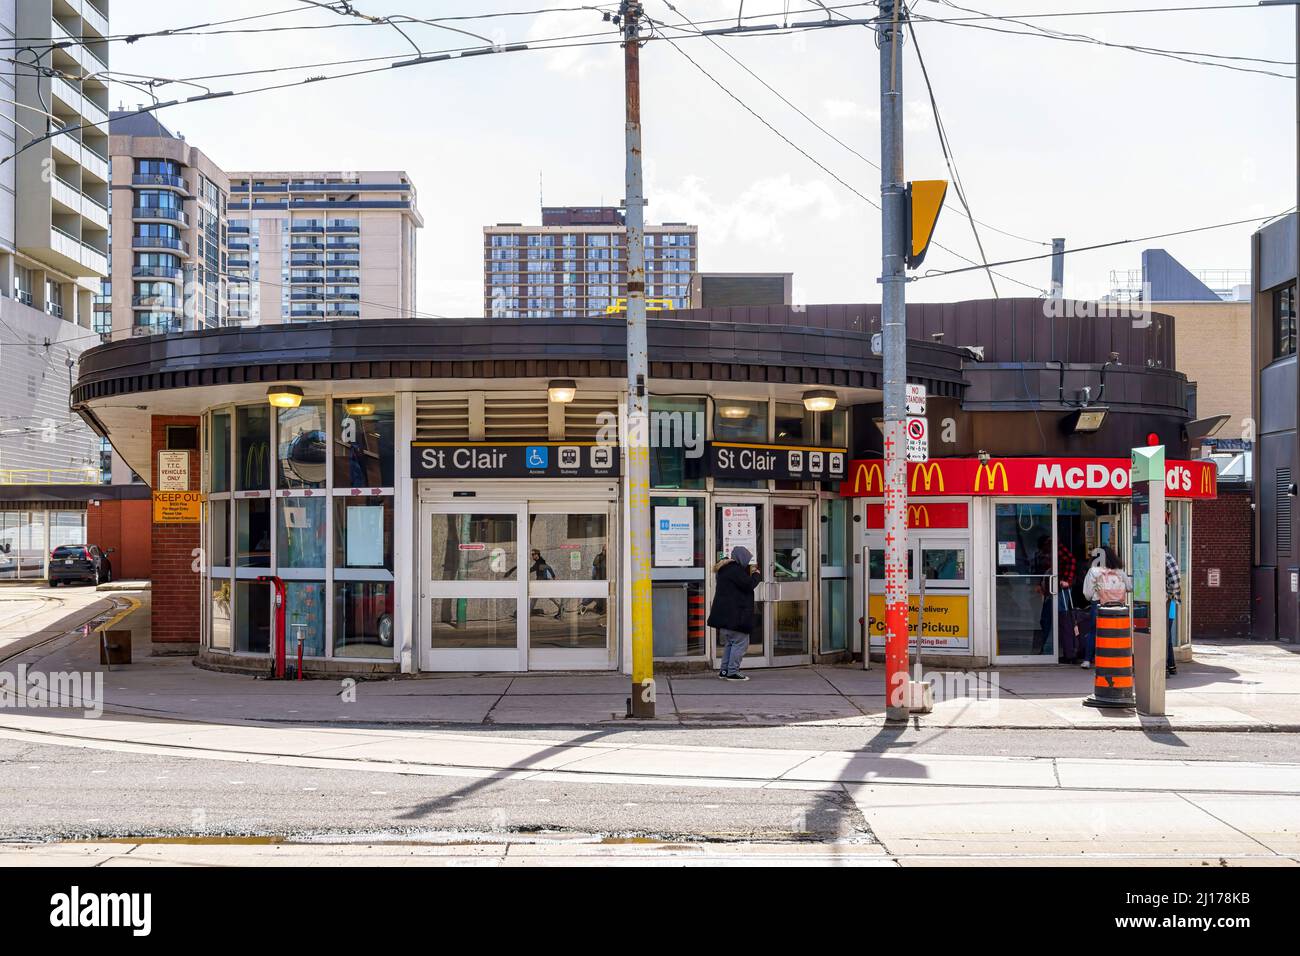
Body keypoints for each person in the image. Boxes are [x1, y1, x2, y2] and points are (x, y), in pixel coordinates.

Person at [707, 545, 762, 681]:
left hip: (726, 616)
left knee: (730, 644)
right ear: (741, 558)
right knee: (740, 643)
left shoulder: (725, 570)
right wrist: (756, 574)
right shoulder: (735, 570)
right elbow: (748, 584)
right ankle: (732, 671)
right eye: (747, 559)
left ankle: (724, 671)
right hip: (735, 616)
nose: (748, 562)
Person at [1081, 546, 1128, 669]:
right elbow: (1129, 587)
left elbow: (1088, 593)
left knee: (1094, 632)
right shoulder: (1119, 571)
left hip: (1099, 603)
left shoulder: (1094, 571)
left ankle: (1087, 660)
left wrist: (1091, 598)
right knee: (1114, 632)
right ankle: (1113, 657)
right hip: (1118, 606)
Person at [528, 549, 564, 619]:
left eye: (533, 554)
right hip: (541, 583)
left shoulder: (540, 563)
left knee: (534, 598)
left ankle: (527, 613)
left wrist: (553, 576)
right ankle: (560, 607)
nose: (532, 556)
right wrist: (553, 576)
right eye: (532, 554)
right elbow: (548, 568)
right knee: (536, 598)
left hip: (542, 583)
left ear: (537, 555)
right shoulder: (539, 562)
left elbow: (547, 568)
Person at [1165, 549, 1182, 676]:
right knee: (1167, 634)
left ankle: (1166, 666)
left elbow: (1175, 583)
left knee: (1165, 634)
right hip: (1169, 601)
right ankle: (1171, 665)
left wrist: (1168, 595)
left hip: (1167, 602)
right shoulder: (1167, 558)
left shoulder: (1166, 558)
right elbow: (1175, 583)